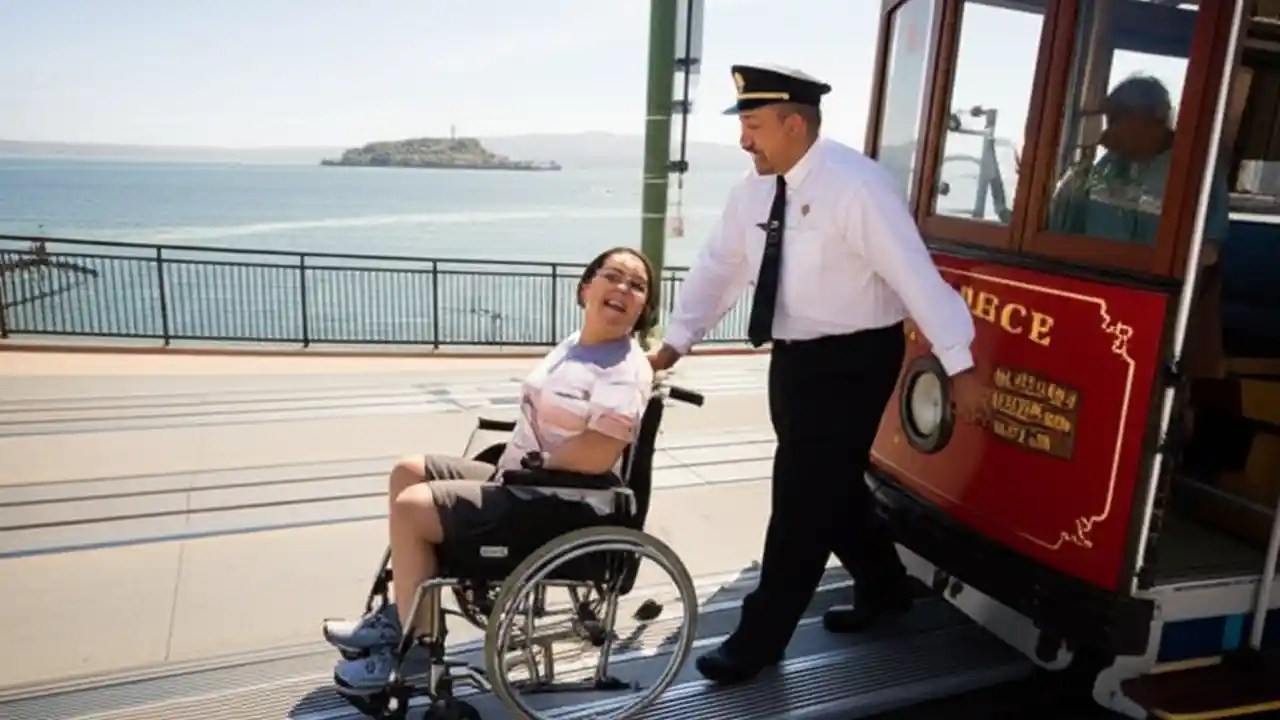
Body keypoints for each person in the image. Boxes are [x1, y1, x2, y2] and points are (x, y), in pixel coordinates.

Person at [647, 63, 986, 685]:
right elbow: (719, 267)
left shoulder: (857, 187)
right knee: (831, 484)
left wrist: (958, 361)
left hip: (855, 360)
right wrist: (673, 346)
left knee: (801, 497)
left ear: (793, 124)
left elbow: (915, 276)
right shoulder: (751, 190)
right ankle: (886, 589)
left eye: (753, 125)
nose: (744, 140)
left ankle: (760, 638)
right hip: (795, 359)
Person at [323, 246, 659, 696]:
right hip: (521, 478)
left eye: (636, 286)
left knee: (412, 509)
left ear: (642, 308)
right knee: (407, 471)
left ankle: (414, 652)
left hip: (552, 501)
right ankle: (399, 617)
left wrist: (531, 467)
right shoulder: (575, 345)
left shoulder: (625, 371)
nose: (623, 288)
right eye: (613, 276)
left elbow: (597, 456)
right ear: (586, 289)